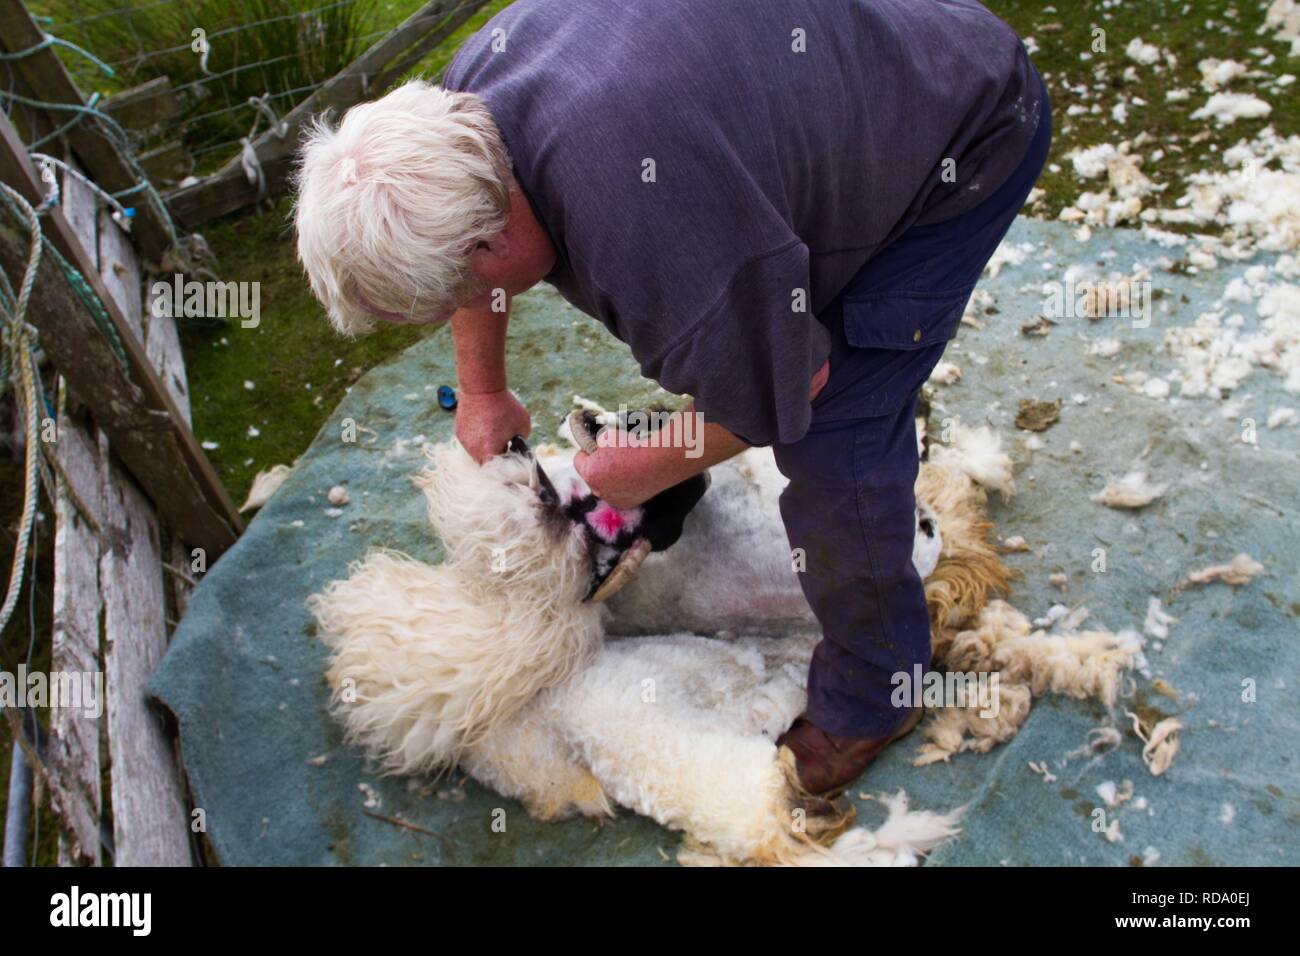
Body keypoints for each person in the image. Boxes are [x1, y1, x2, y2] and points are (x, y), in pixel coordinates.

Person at [294, 0, 1050, 798]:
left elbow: (796, 386)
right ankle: (766, 323)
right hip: (852, 74)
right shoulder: (460, 116)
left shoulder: (649, 220)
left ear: (489, 240)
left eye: (461, 288)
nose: (467, 301)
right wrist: (481, 389)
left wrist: (642, 468)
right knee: (737, 326)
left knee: (837, 430)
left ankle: (875, 688)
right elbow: (496, 259)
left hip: (964, 132)